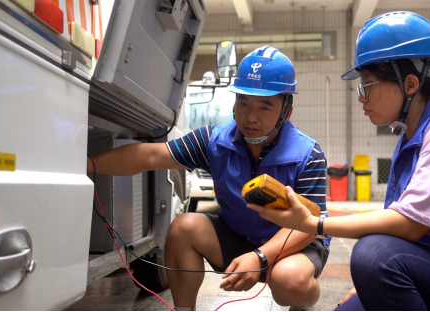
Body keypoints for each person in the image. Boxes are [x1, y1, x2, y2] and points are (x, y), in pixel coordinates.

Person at [248, 11, 430, 311]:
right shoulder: (411, 140)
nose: (361, 98)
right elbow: (398, 231)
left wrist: (316, 224)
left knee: (372, 254)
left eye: (367, 85)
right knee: (353, 301)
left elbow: (408, 226)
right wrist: (367, 282)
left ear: (409, 85)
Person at [87, 46, 330, 311]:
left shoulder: (308, 154)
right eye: (243, 103)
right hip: (237, 236)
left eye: (264, 107)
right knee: (184, 228)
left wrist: (260, 257)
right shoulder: (214, 140)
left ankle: (303, 300)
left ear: (287, 111)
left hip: (293, 245)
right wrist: (88, 164)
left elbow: (308, 226)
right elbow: (152, 156)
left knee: (290, 281)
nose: (250, 117)